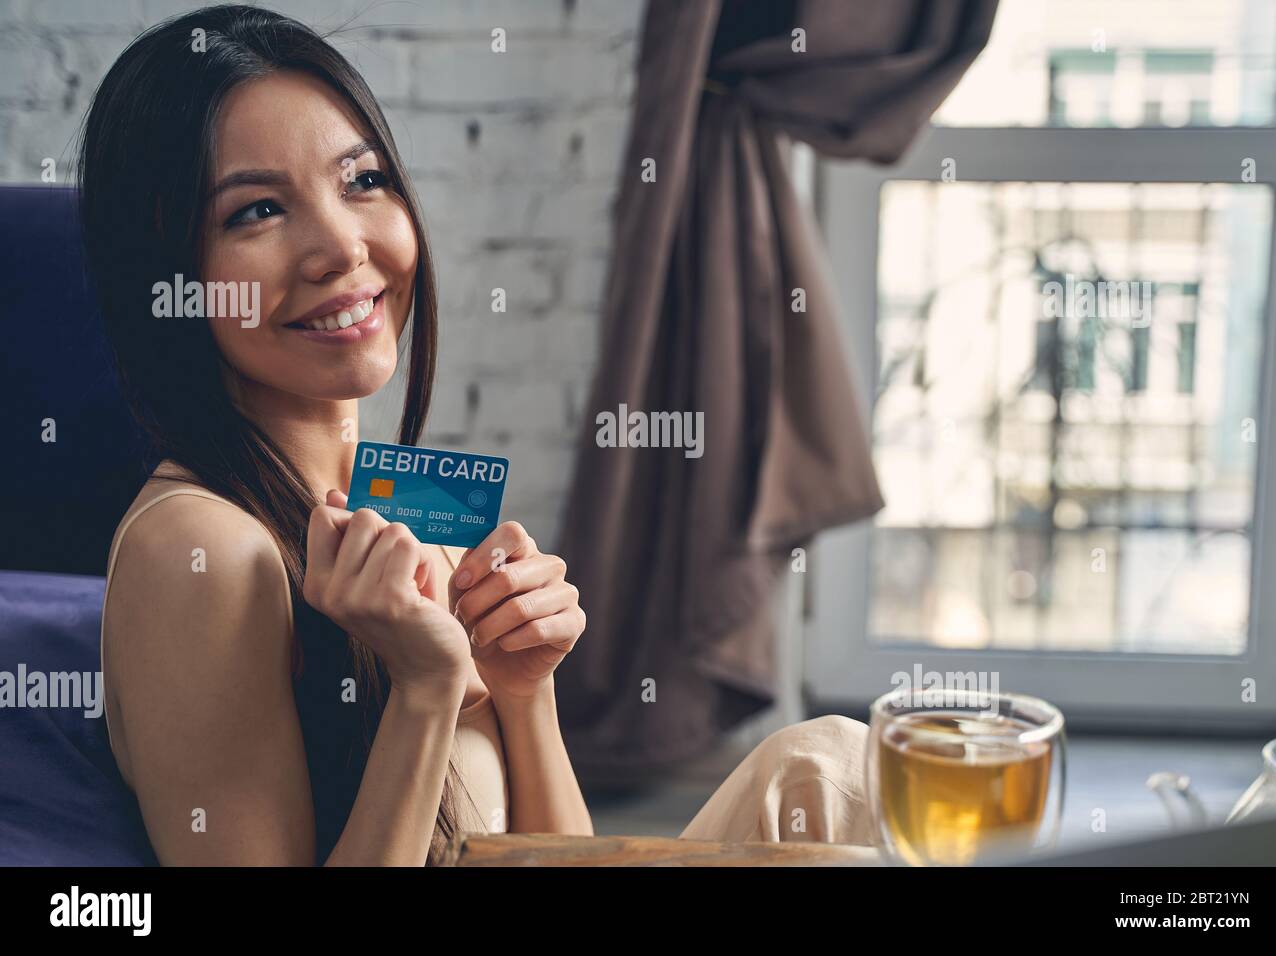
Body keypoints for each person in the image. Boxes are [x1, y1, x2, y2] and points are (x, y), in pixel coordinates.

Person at [82, 4, 875, 866]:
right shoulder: (202, 552)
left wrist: (522, 687)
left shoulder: (399, 498)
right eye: (259, 210)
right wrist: (425, 690)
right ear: (168, 270)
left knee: (831, 768)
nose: (341, 248)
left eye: (362, 181)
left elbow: (555, 859)